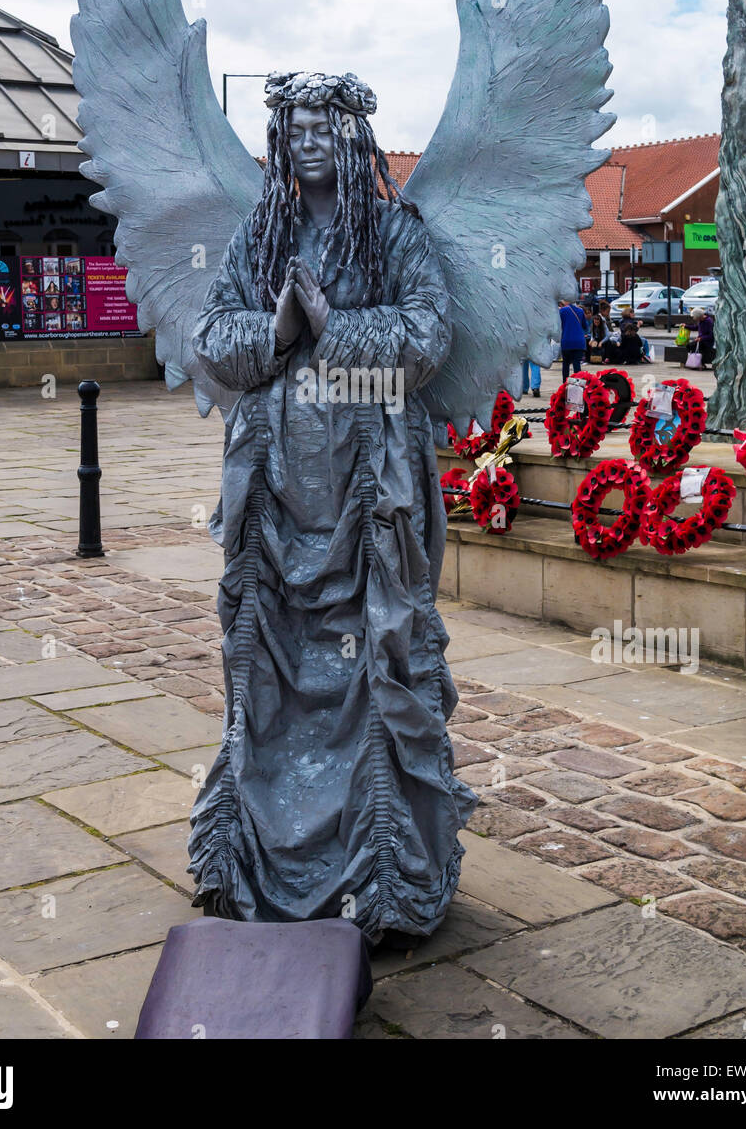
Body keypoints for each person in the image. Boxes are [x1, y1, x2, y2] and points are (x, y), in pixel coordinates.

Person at [188, 71, 476, 946]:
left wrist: (335, 324)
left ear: (351, 139)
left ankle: (380, 875)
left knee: (373, 653)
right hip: (276, 485)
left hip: (366, 486)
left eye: (324, 127)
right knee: (271, 661)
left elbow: (429, 334)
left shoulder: (392, 232)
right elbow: (211, 336)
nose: (308, 140)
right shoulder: (258, 236)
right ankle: (256, 860)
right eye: (295, 127)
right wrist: (274, 332)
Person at [558, 298, 587, 382]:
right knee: (577, 364)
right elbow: (584, 326)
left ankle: (565, 384)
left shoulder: (562, 311)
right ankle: (578, 386)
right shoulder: (581, 311)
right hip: (579, 342)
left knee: (566, 364)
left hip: (567, 341)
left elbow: (558, 325)